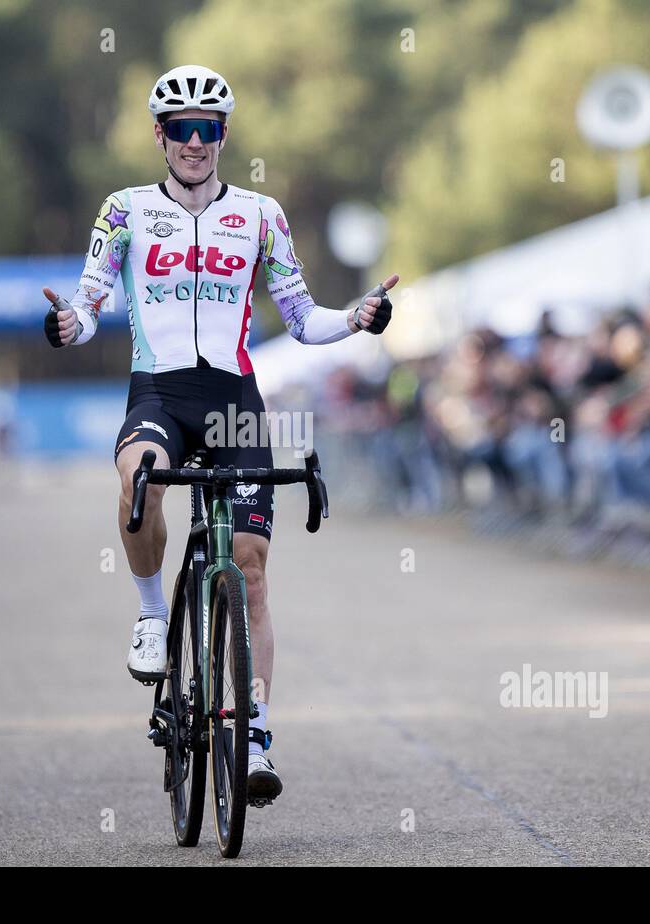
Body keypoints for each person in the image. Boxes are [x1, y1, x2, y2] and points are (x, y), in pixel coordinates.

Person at [42, 64, 398, 805]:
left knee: (252, 566)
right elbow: (88, 304)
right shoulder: (125, 209)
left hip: (234, 398)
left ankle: (256, 728)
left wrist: (357, 318)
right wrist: (68, 324)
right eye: (182, 129)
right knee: (139, 476)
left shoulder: (263, 214)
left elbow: (302, 318)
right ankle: (149, 613)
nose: (196, 141)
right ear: (161, 136)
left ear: (225, 135)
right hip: (161, 392)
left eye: (209, 128)